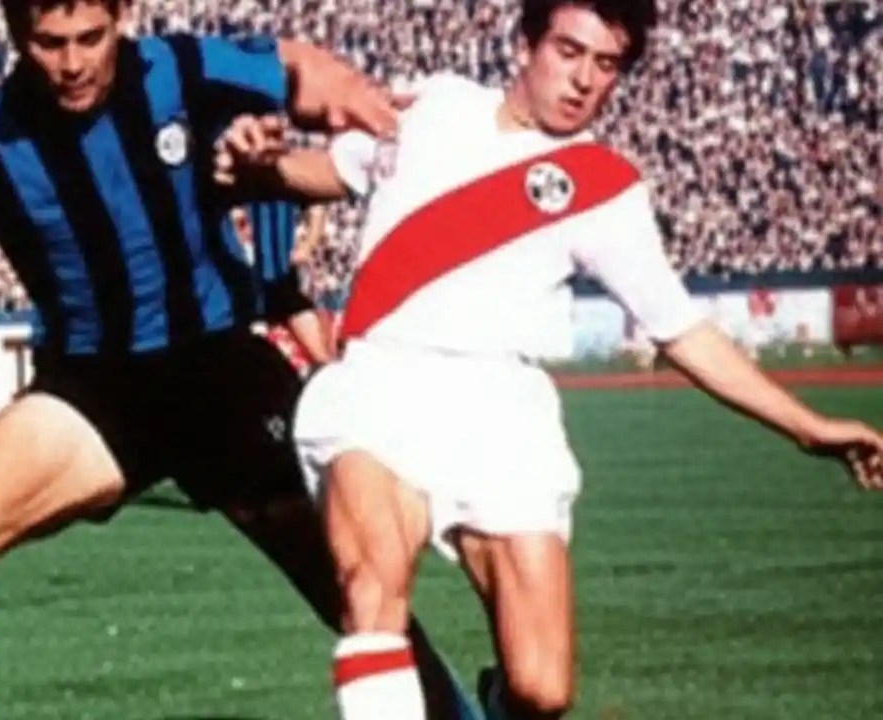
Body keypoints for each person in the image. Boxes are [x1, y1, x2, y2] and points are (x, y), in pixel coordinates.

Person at [211, 0, 883, 718]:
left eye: (605, 65)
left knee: (542, 689)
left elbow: (682, 331)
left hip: (502, 410)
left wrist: (808, 427)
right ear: (525, 42)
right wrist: (256, 162)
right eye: (569, 52)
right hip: (383, 384)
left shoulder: (605, 187)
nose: (584, 79)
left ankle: (498, 701)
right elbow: (317, 173)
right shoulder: (434, 107)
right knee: (372, 591)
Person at [0, 1, 477, 717]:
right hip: (95, 392)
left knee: (352, 588)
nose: (72, 63)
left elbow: (296, 67)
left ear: (121, 17)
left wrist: (360, 100)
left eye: (89, 38)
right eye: (49, 43)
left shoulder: (179, 68)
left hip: (221, 370)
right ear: (17, 37)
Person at [229, 201, 336, 373]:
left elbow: (316, 206)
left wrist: (309, 242)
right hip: (239, 285)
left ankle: (328, 371)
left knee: (290, 302)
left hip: (277, 272)